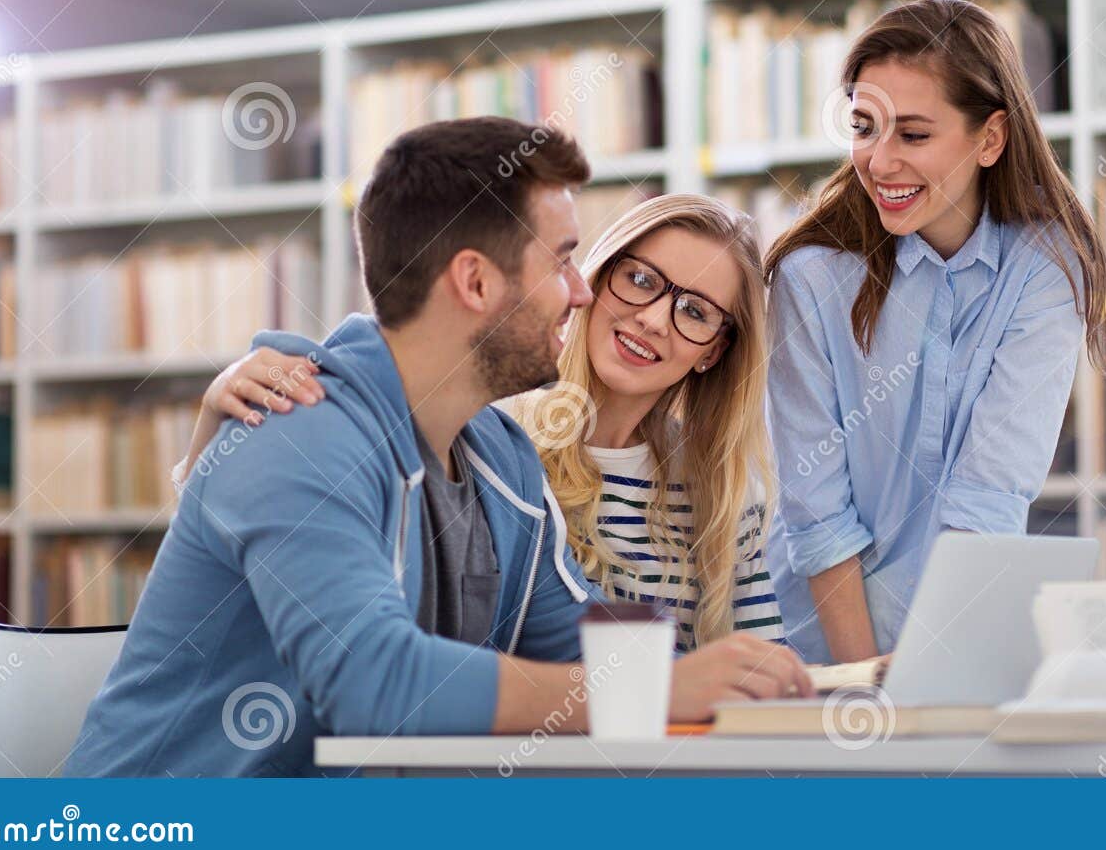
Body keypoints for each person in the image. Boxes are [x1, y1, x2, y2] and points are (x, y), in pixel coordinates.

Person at [66, 117, 809, 777]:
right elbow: (376, 682)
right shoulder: (298, 428)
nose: (582, 293)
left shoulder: (504, 462)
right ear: (476, 282)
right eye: (561, 261)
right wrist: (659, 688)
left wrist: (748, 689)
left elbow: (583, 642)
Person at [185, 194, 784, 654]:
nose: (654, 319)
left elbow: (761, 671)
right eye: (641, 280)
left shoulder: (726, 489)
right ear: (595, 280)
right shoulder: (487, 442)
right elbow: (262, 548)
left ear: (715, 350)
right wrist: (216, 420)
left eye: (695, 312)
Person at [762, 0, 1106, 663]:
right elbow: (817, 510)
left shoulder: (1044, 270)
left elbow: (991, 490)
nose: (879, 161)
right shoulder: (810, 278)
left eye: (913, 135)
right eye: (865, 127)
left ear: (990, 138)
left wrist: (933, 672)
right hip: (817, 654)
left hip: (956, 641)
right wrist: (870, 685)